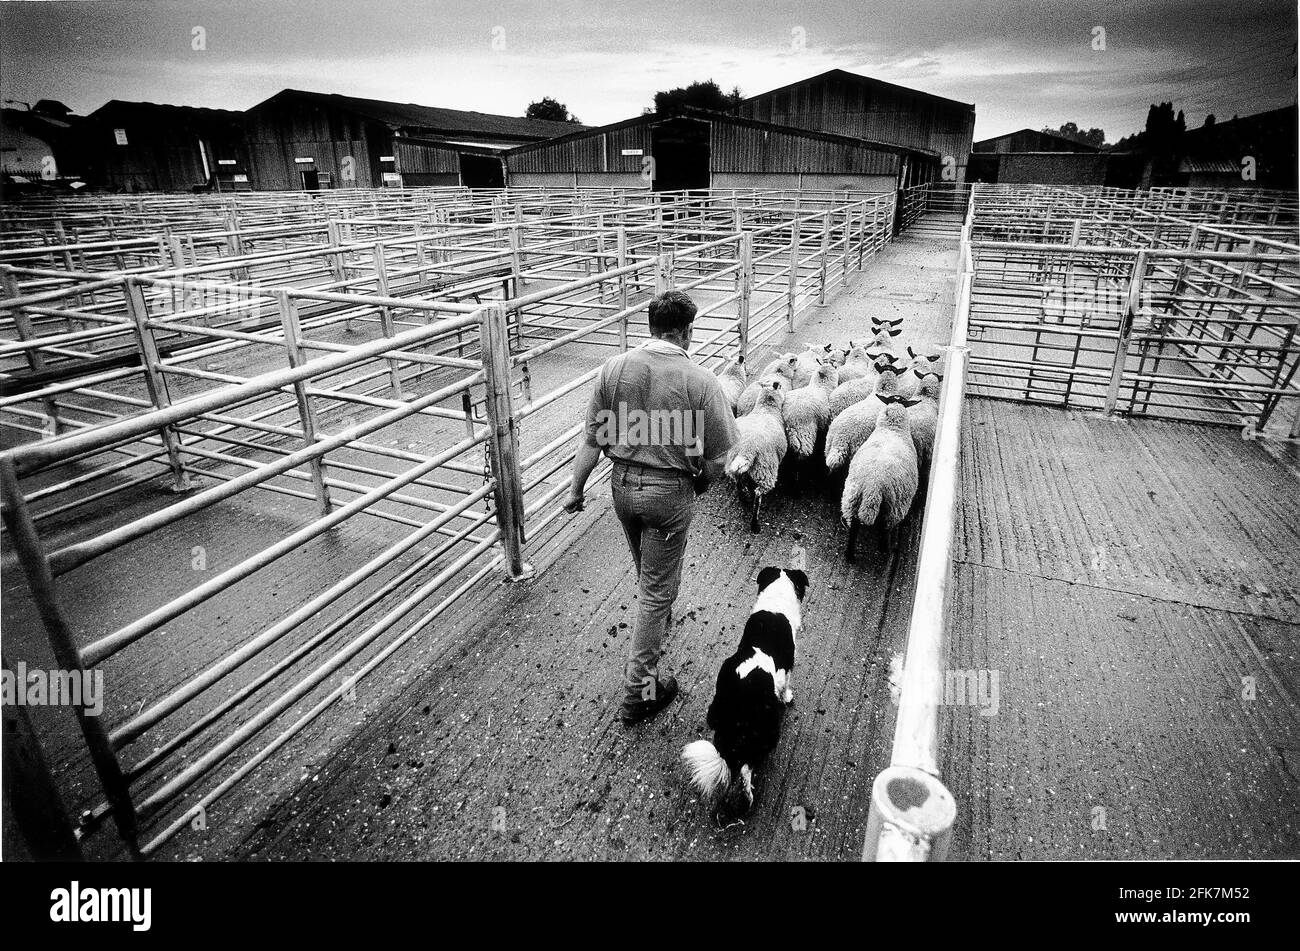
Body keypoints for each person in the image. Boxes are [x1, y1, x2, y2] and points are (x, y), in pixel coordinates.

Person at [564, 290, 739, 725]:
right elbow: (720, 456)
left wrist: (575, 490)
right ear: (687, 332)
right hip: (668, 494)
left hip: (622, 488)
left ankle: (656, 617)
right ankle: (640, 692)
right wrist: (696, 487)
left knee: (650, 577)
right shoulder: (700, 381)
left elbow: (592, 440)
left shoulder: (614, 369)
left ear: (650, 327)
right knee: (656, 592)